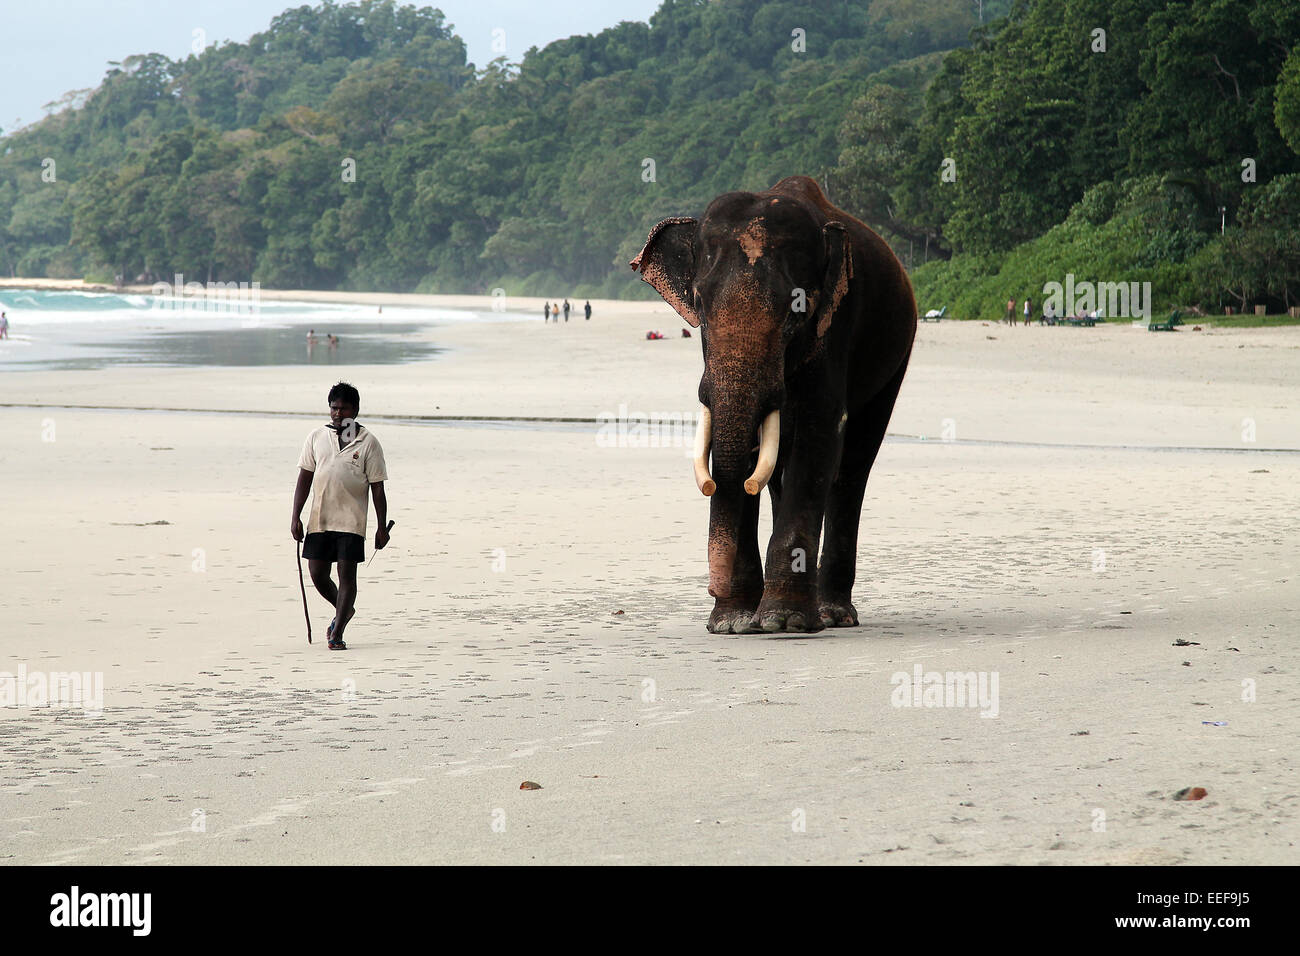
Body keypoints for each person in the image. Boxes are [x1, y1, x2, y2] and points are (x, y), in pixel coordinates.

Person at [290, 382, 389, 650]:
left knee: (347, 576)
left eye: (343, 408)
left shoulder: (368, 442)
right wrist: (295, 515)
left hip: (351, 520)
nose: (337, 413)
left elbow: (378, 488)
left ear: (355, 410)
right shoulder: (316, 437)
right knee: (318, 573)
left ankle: (338, 631)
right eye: (334, 407)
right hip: (320, 517)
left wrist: (381, 527)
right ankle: (343, 609)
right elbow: (304, 478)